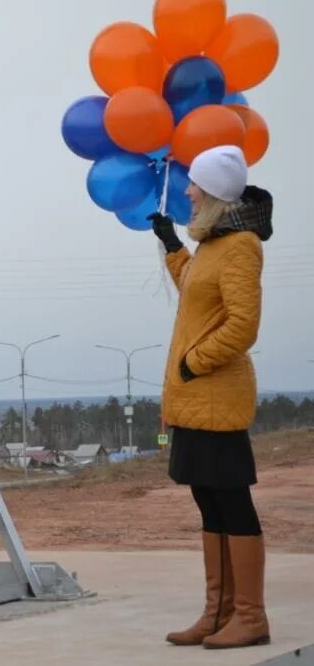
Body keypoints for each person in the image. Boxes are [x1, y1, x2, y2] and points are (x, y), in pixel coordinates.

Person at [148, 145, 273, 650]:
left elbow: (243, 324)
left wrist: (193, 363)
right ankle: (218, 612)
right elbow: (199, 292)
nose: (187, 191)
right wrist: (172, 247)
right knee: (209, 502)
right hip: (197, 398)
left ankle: (251, 617)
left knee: (230, 501)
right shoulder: (211, 245)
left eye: (194, 184)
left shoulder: (241, 244)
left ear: (216, 193)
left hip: (215, 395)